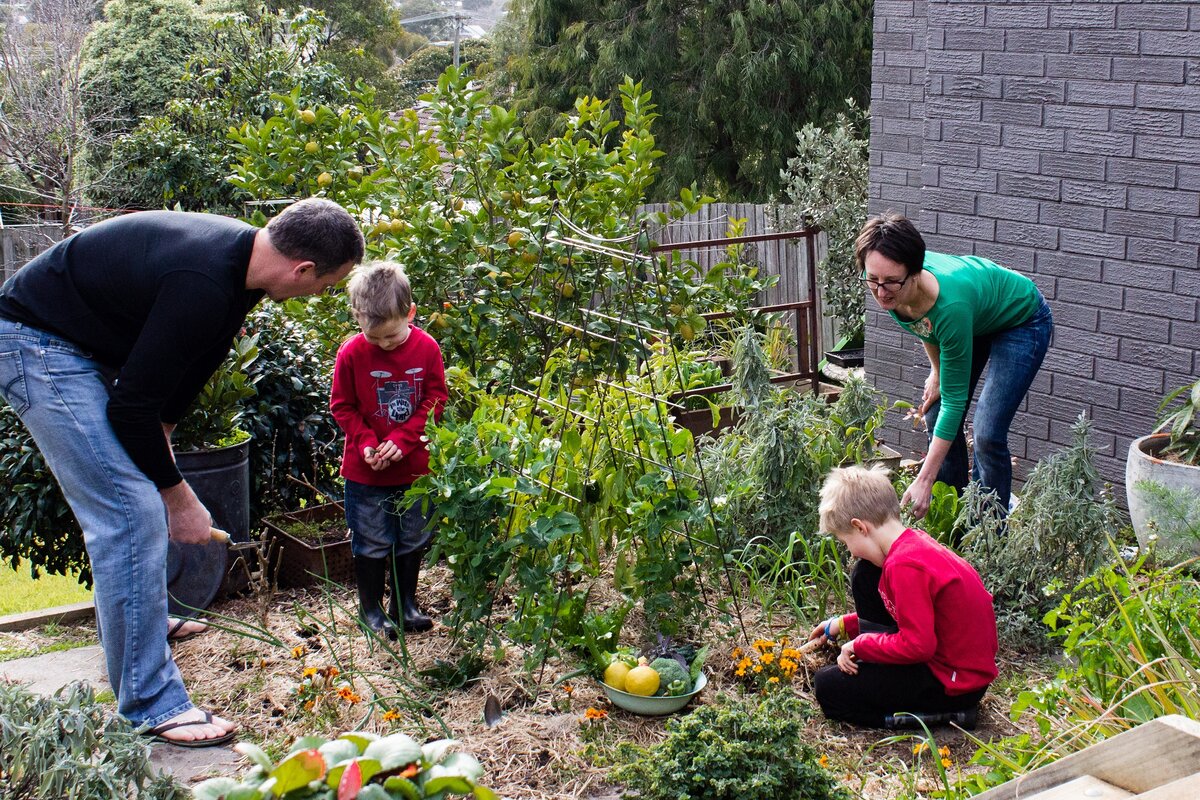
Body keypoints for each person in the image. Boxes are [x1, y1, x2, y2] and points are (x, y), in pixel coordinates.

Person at [0, 198, 365, 746]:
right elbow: (131, 407)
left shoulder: (241, 266)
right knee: (130, 513)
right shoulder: (204, 278)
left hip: (81, 344)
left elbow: (194, 363)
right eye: (326, 285)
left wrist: (165, 442)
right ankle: (151, 704)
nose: (320, 295)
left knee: (137, 497)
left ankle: (140, 618)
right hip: (38, 344)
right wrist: (178, 499)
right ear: (303, 270)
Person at [855, 212, 1053, 518]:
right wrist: (936, 371)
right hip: (974, 318)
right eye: (873, 280)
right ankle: (956, 514)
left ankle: (989, 530)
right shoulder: (896, 291)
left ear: (915, 272)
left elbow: (956, 399)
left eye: (891, 282)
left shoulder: (948, 306)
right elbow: (924, 324)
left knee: (987, 432)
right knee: (934, 412)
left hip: (1021, 320)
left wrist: (924, 479)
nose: (881, 292)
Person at [808, 465, 998, 729]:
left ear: (860, 527)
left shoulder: (903, 567)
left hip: (954, 683)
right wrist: (845, 625)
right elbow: (911, 613)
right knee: (864, 573)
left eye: (845, 541)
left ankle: (945, 716)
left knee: (828, 688)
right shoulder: (911, 546)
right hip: (952, 665)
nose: (850, 552)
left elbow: (919, 645)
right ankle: (878, 666)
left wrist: (859, 645)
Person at [331, 262, 447, 636]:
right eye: (375, 338)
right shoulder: (351, 354)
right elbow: (342, 405)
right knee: (372, 537)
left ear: (410, 313)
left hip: (413, 466)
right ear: (358, 318)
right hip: (366, 470)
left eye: (392, 337)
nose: (384, 345)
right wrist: (366, 443)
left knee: (412, 535)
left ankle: (404, 603)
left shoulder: (427, 348)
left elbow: (434, 398)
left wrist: (403, 439)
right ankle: (371, 610)